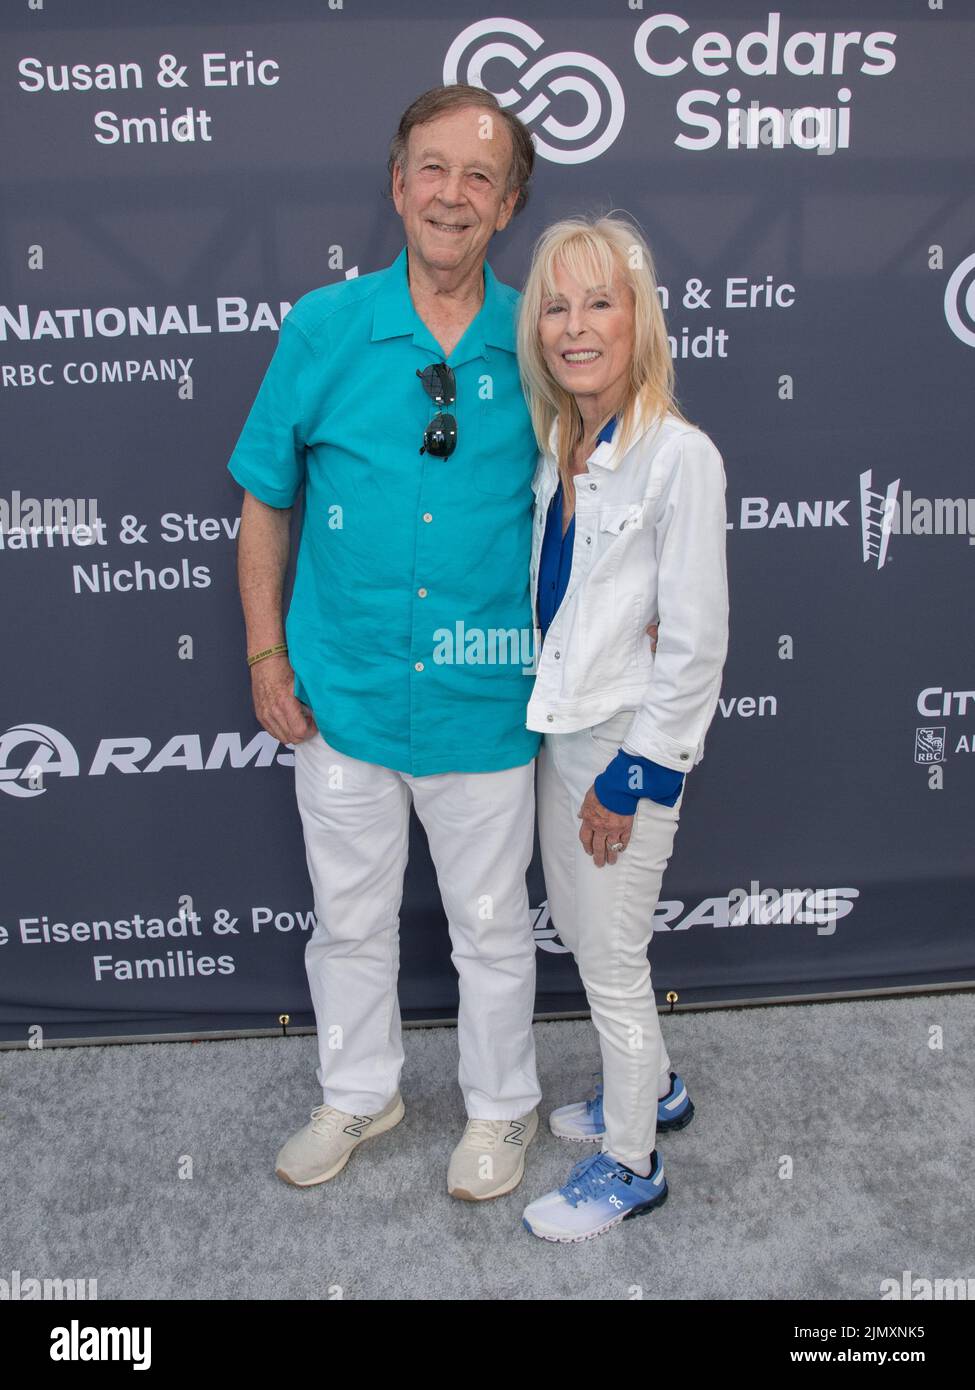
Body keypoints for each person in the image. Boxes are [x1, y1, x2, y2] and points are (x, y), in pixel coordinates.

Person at [226, 85, 544, 1200]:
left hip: (486, 701)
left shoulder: (544, 338)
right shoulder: (323, 326)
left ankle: (503, 1110)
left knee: (495, 932)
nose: (450, 194)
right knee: (349, 922)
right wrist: (268, 655)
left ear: (507, 207)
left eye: (479, 177)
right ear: (396, 183)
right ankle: (362, 1091)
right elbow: (268, 500)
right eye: (432, 168)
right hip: (342, 696)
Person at [515, 214, 729, 1242]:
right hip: (567, 734)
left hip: (622, 757)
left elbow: (694, 645)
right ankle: (655, 1089)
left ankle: (632, 1161)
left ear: (639, 317)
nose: (574, 324)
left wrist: (633, 776)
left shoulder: (677, 457)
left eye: (599, 300)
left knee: (610, 963)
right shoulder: (566, 443)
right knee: (597, 941)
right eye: (556, 304)